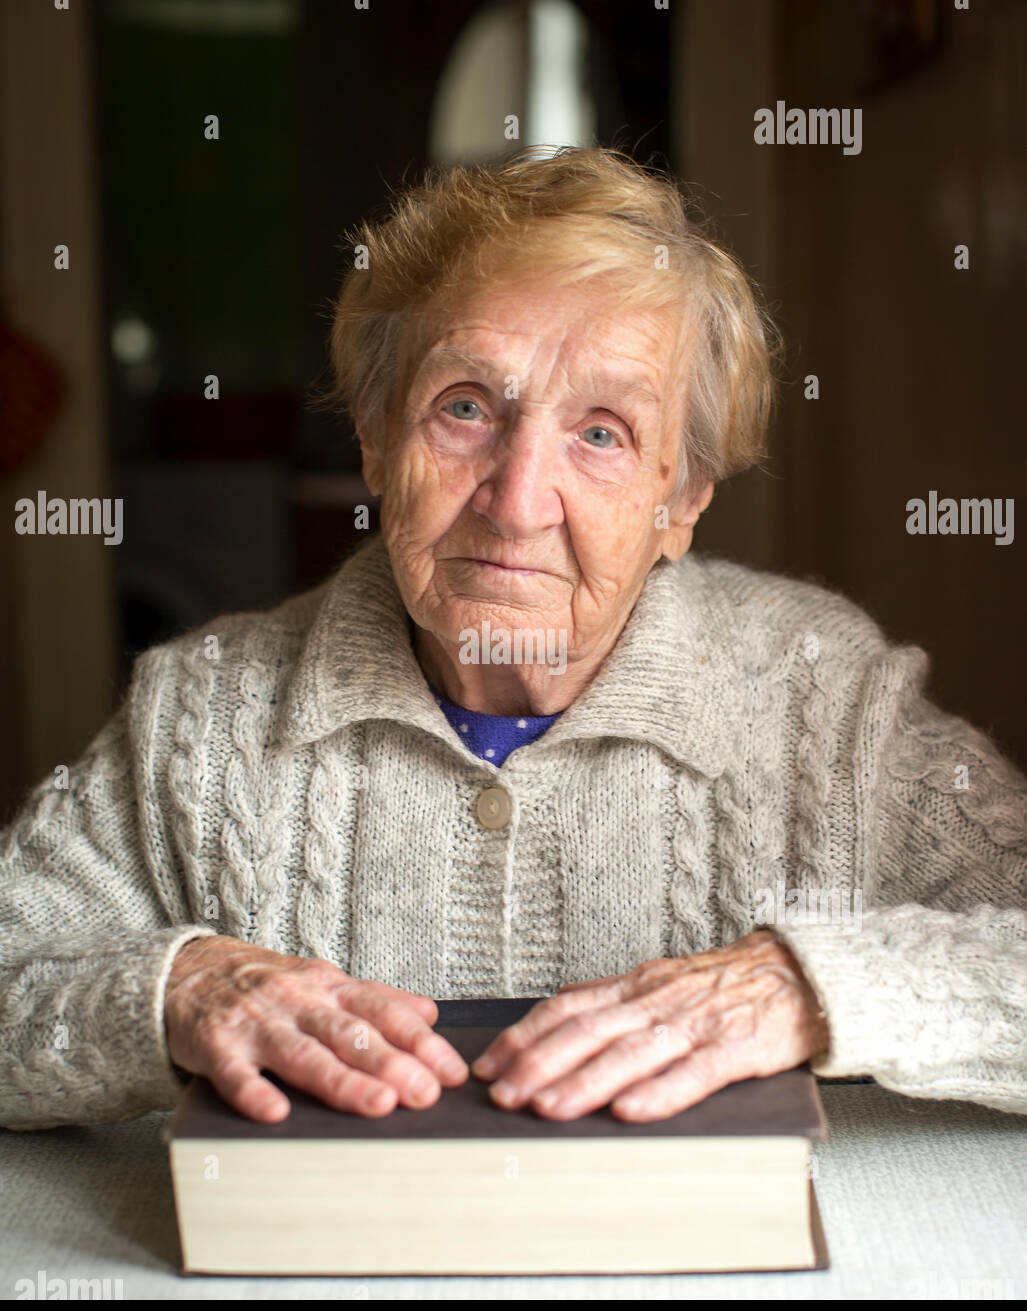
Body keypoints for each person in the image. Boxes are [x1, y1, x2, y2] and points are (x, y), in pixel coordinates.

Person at [2, 146, 1024, 1132]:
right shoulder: (203, 713)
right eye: (464, 407)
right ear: (374, 437)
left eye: (601, 432)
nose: (518, 499)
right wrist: (175, 988)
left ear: (682, 501)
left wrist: (808, 986)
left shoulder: (827, 706)